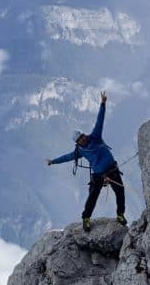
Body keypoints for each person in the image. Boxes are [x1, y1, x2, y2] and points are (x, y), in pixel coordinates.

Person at [49, 91, 126, 231]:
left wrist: (103, 104)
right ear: (77, 142)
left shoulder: (95, 137)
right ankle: (86, 218)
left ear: (84, 135)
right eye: (80, 139)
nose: (83, 139)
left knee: (120, 191)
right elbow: (67, 157)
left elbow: (99, 121)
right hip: (98, 175)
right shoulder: (80, 151)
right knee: (93, 197)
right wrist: (53, 161)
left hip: (112, 169)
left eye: (82, 136)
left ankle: (120, 215)